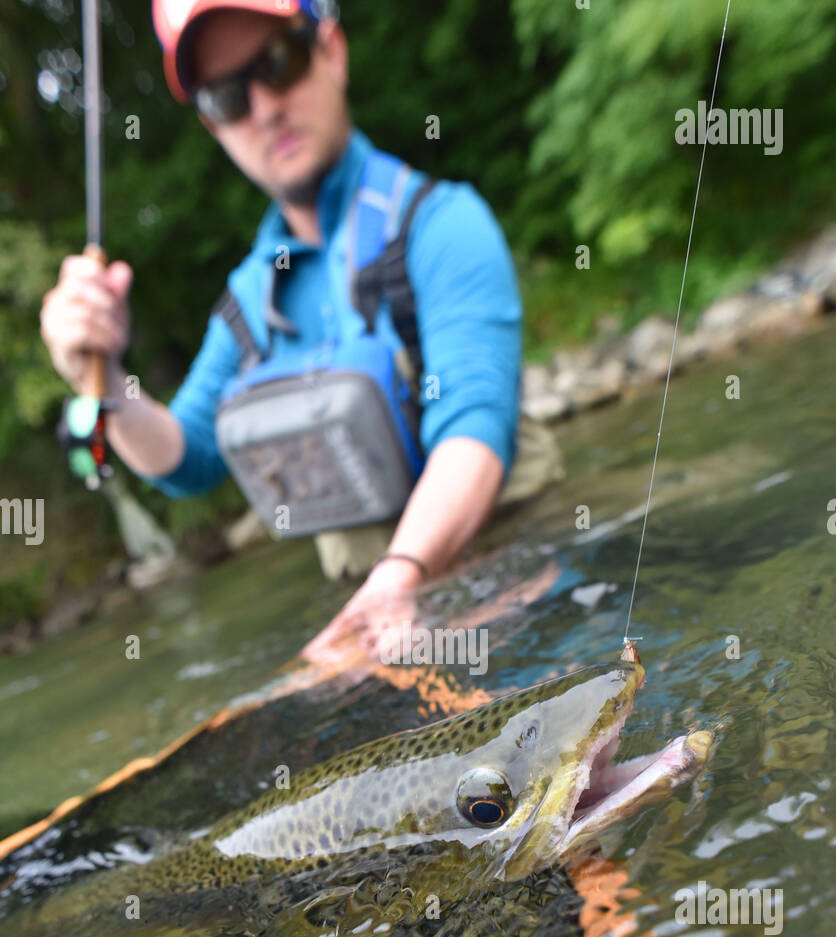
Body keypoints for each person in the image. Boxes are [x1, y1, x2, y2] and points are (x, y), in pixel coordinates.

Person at [40, 0, 563, 661]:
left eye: (279, 63)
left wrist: (400, 576)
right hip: (380, 619)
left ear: (332, 52)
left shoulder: (443, 225)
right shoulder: (248, 299)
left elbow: (474, 427)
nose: (262, 108)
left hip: (523, 589)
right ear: (212, 125)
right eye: (229, 97)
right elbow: (186, 459)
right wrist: (106, 380)